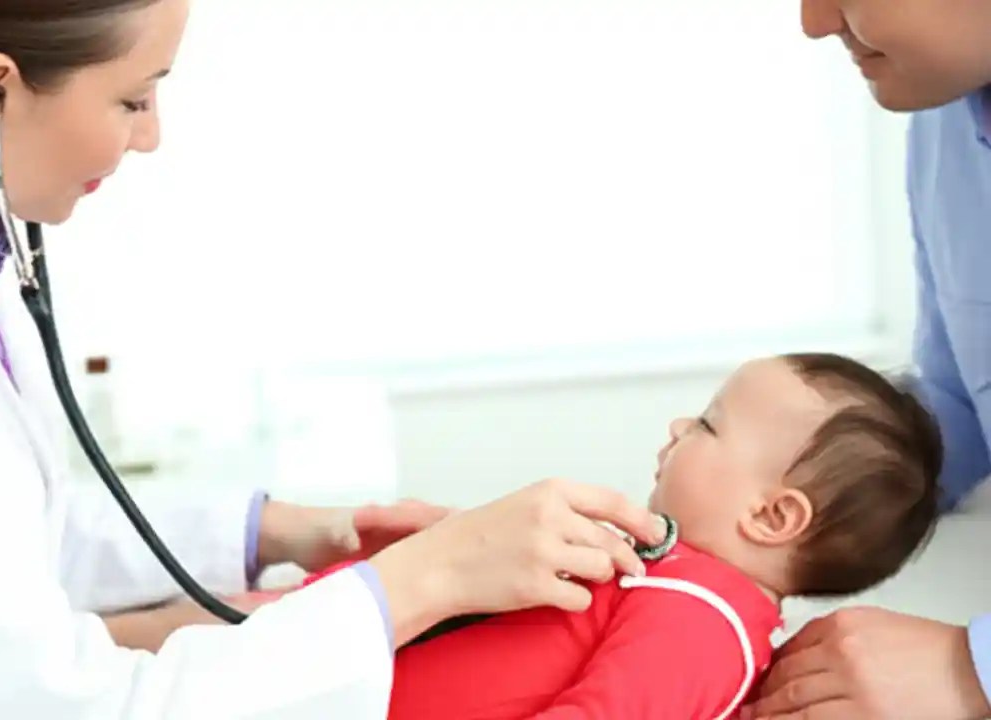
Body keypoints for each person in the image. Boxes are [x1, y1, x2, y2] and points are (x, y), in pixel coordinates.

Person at [0, 1, 665, 718]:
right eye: (133, 96)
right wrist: (425, 582)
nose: (151, 135)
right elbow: (34, 704)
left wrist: (291, 533)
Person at [299, 353, 941, 719]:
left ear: (771, 517)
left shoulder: (708, 625)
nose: (679, 424)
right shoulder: (664, 576)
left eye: (710, 425)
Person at [740, 2, 991, 719]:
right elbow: (956, 403)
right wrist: (718, 507)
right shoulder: (946, 124)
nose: (815, 23)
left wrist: (972, 670)